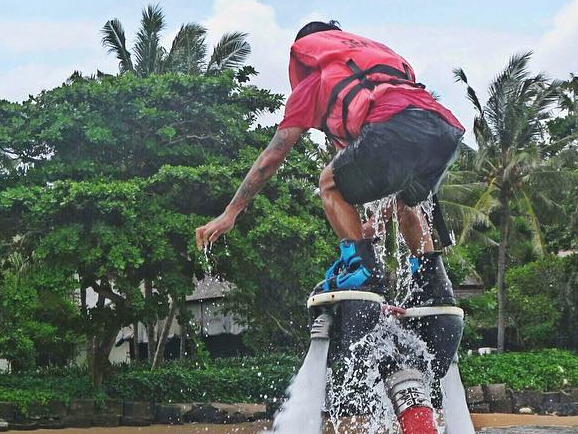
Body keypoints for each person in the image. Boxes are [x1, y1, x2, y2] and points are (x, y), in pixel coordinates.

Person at [194, 20, 465, 304]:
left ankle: (363, 271)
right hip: (443, 131)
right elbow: (396, 190)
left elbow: (270, 159)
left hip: (392, 129)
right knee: (407, 201)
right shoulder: (377, 70)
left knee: (329, 182)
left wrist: (231, 212)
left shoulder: (316, 80)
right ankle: (432, 285)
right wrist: (374, 224)